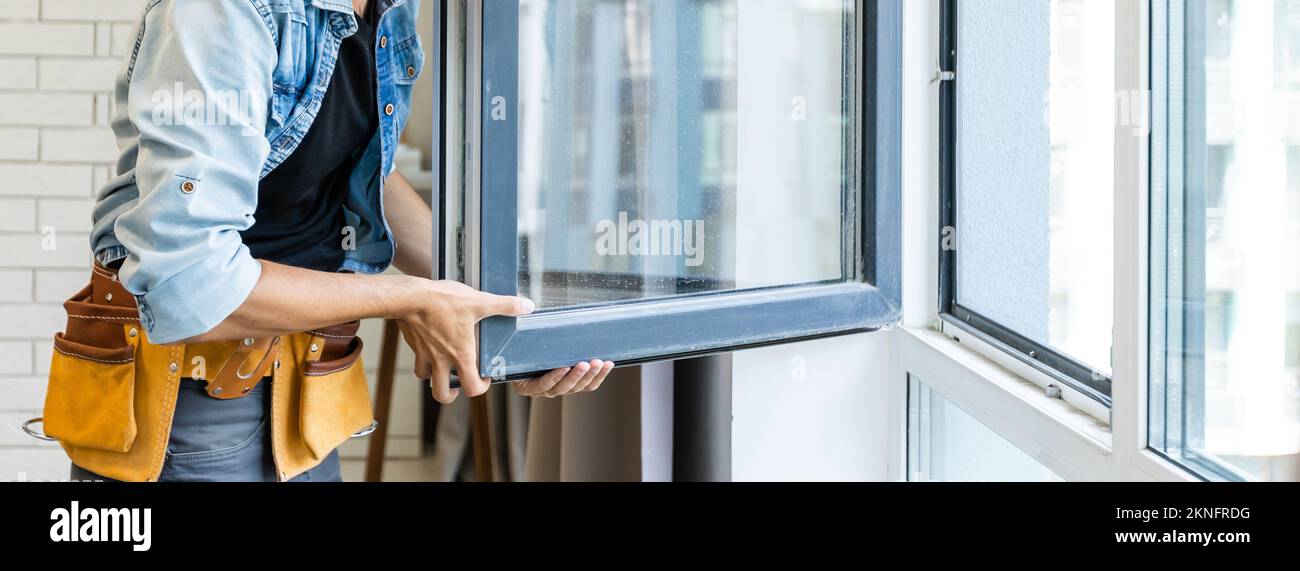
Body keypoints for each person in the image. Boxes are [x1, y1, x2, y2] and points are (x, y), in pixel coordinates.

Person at [44, 0, 613, 483]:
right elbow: (189, 284)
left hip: (309, 393)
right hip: (192, 406)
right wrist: (414, 298)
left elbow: (364, 168)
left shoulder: (387, 10)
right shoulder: (223, 12)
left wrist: (511, 314)